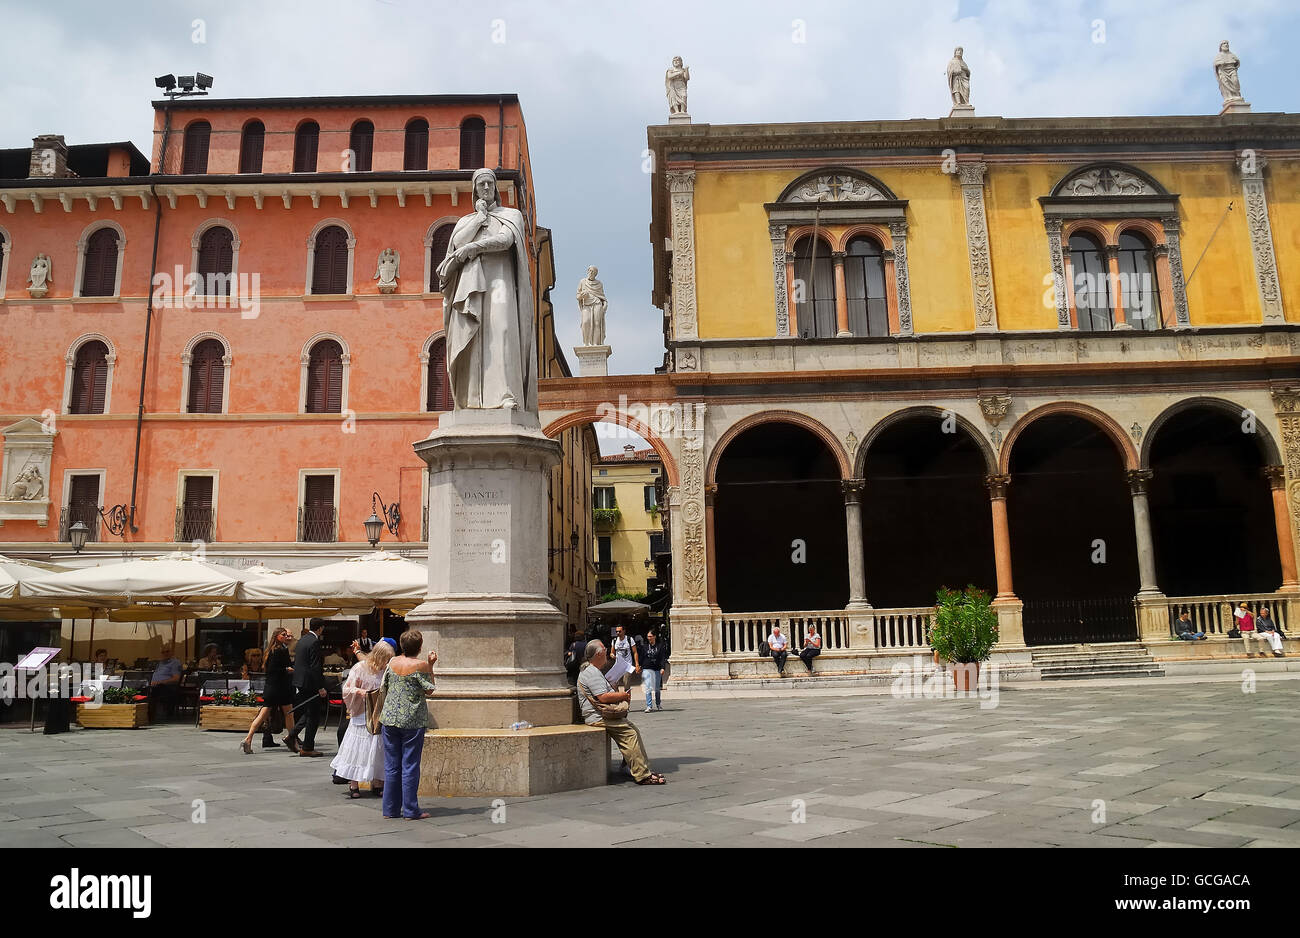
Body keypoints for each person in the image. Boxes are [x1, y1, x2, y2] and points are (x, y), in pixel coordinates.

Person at [576, 641, 664, 785]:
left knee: (633, 730)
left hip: (601, 714)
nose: (607, 652)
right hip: (598, 717)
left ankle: (637, 767)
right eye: (604, 649)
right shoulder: (591, 672)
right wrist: (623, 696)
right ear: (599, 654)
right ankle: (642, 774)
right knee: (629, 733)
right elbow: (603, 697)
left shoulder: (593, 671)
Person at [379, 629, 438, 820]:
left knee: (391, 765)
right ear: (419, 647)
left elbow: (384, 686)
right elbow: (430, 690)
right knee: (410, 765)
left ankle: (390, 809)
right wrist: (430, 665)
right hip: (412, 720)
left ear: (402, 645)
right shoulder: (420, 665)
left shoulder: (392, 662)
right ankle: (411, 810)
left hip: (389, 718)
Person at [331, 639, 393, 799]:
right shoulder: (360, 668)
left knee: (377, 749)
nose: (386, 662)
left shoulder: (385, 671)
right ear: (378, 656)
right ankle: (354, 783)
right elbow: (347, 688)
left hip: (377, 713)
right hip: (361, 712)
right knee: (358, 748)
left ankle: (378, 781)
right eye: (385, 659)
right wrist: (361, 692)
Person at [241, 627, 296, 754]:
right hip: (280, 688)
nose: (286, 637)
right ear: (277, 636)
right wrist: (287, 670)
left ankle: (248, 739)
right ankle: (293, 741)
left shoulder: (271, 650)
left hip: (272, 687)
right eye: (284, 635)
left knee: (263, 715)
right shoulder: (280, 650)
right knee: (289, 714)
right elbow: (274, 669)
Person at [285, 620, 327, 756]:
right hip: (310, 683)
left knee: (309, 712)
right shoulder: (314, 642)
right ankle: (307, 748)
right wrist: (320, 686)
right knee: (314, 715)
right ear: (320, 629)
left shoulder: (302, 640)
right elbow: (315, 666)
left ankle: (291, 735)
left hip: (300, 681)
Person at [148, 644, 183, 722]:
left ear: (171, 652)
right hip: (155, 685)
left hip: (167, 687)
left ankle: (151, 714)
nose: (165, 653)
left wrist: (159, 682)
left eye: (167, 651)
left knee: (153, 690)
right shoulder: (160, 663)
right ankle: (142, 711)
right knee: (140, 688)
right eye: (163, 652)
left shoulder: (175, 662)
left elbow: (176, 679)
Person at [641, 629, 668, 712]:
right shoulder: (645, 646)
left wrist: (663, 667)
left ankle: (658, 704)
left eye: (650, 636)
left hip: (656, 669)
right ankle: (649, 706)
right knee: (648, 687)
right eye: (648, 636)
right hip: (647, 668)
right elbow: (642, 657)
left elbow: (662, 658)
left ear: (654, 637)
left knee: (656, 688)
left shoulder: (660, 646)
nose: (649, 638)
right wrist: (639, 666)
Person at [611, 625, 640, 691]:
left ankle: (627, 698)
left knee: (626, 682)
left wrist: (637, 664)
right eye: (616, 631)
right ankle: (617, 698)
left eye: (619, 631)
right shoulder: (614, 640)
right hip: (618, 665)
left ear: (624, 631)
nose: (618, 633)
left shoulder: (629, 639)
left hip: (628, 664)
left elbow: (635, 652)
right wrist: (612, 655)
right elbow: (612, 652)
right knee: (614, 683)